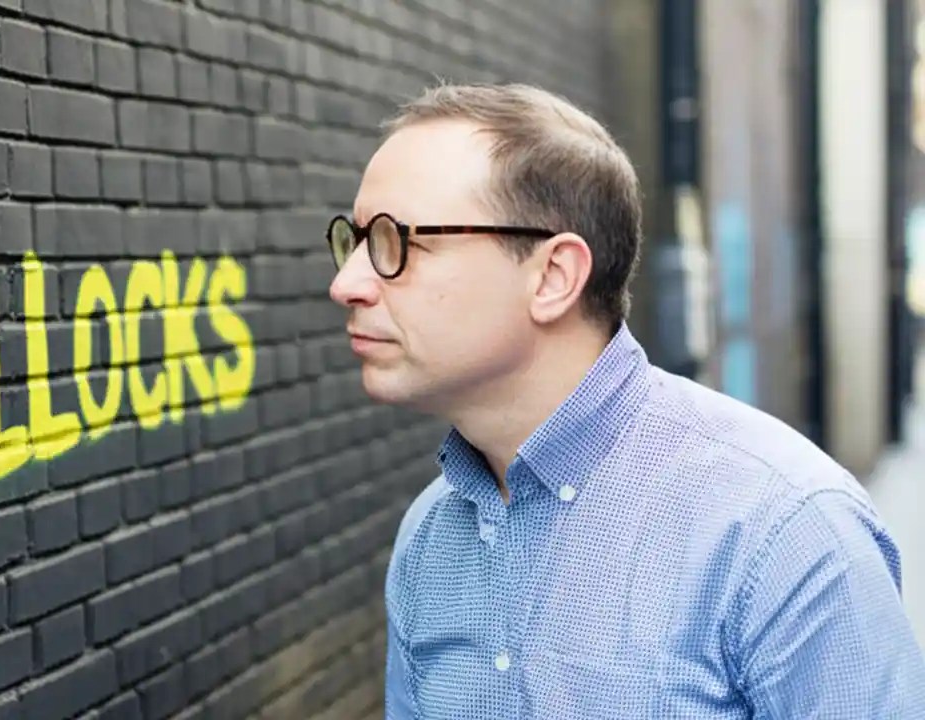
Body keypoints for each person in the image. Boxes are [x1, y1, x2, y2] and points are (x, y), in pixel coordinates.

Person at [326, 82, 925, 718]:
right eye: (354, 240)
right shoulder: (430, 538)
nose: (347, 282)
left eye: (394, 242)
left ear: (553, 277)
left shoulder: (781, 528)